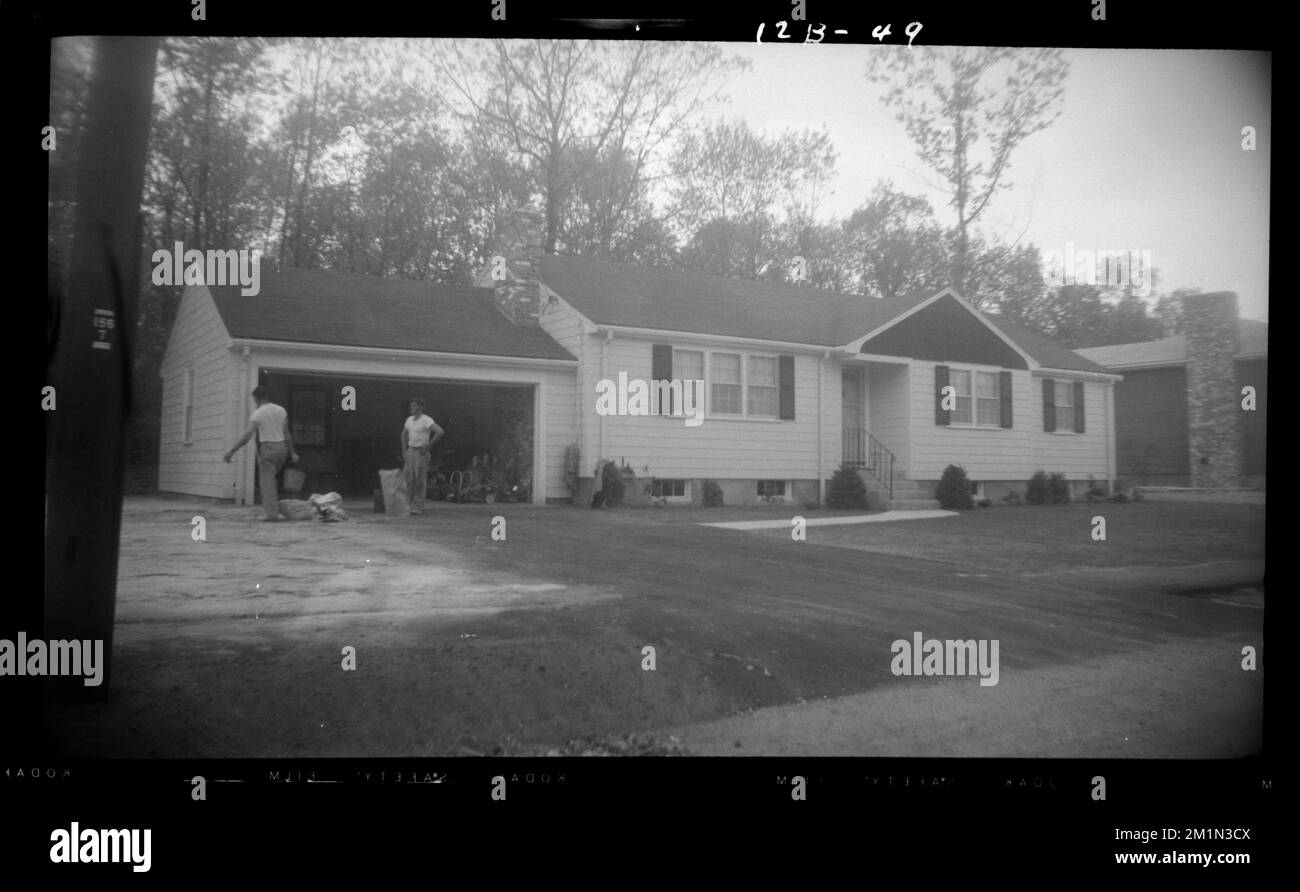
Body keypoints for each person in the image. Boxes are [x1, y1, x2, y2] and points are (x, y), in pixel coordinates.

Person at [224, 387, 299, 521]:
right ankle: (276, 509)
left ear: (257, 398)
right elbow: (286, 432)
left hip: (268, 448)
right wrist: (293, 452)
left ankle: (272, 514)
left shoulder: (258, 413)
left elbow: (248, 435)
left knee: (267, 483)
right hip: (282, 449)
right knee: (271, 480)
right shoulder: (281, 410)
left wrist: (232, 451)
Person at [401, 398, 444, 515]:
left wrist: (428, 446)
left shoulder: (426, 420)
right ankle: (407, 504)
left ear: (420, 407)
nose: (412, 408)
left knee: (419, 479)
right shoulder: (409, 420)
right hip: (411, 450)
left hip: (421, 452)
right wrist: (404, 450)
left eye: (414, 406)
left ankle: (418, 506)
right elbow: (404, 434)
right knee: (408, 478)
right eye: (411, 406)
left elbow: (440, 431)